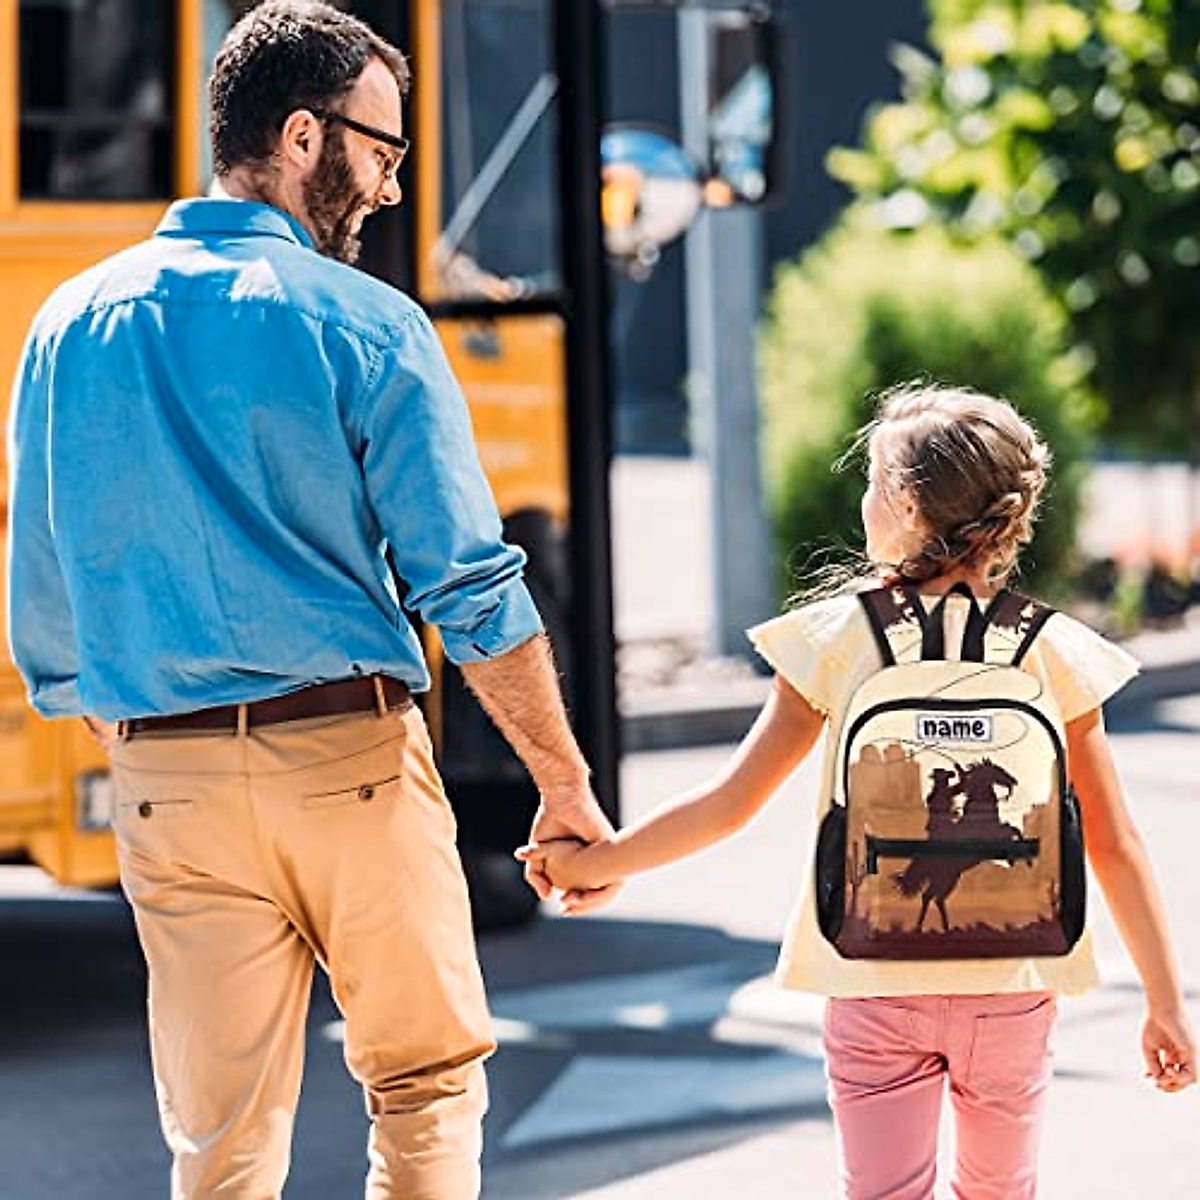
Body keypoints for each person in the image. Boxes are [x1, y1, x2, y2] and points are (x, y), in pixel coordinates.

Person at [6, 3, 613, 1197]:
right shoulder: (368, 324)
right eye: (381, 152)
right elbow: (469, 583)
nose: (388, 187)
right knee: (425, 1088)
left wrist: (142, 732)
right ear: (300, 135)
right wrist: (561, 783)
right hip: (347, 761)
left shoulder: (68, 322)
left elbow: (45, 578)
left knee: (220, 1139)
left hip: (164, 782)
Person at [521, 384, 1197, 1198]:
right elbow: (1115, 843)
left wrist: (597, 863)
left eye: (875, 482)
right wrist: (1164, 1003)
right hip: (1013, 987)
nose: (866, 499)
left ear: (908, 505)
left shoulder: (839, 637)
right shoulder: (1050, 651)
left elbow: (731, 802)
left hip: (872, 976)